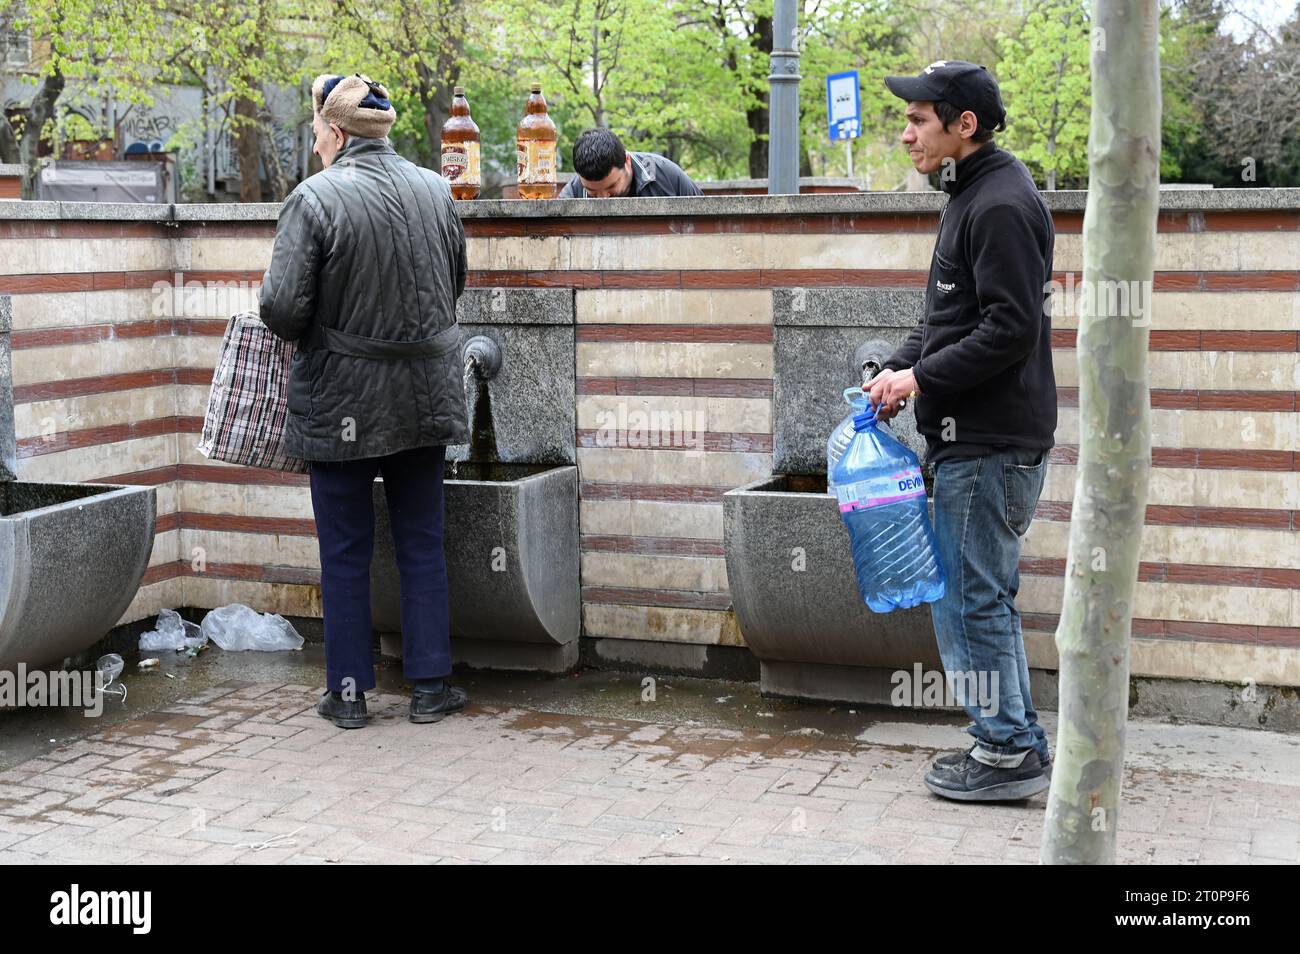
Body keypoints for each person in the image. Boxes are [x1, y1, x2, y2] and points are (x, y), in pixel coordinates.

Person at [868, 60, 1057, 801]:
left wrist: (920, 380)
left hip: (989, 444)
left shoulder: (1001, 203)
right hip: (974, 440)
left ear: (963, 124)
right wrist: (897, 368)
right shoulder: (970, 194)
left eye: (918, 118)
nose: (905, 130)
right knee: (984, 596)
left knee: (970, 601)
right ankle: (1012, 740)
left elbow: (1011, 328)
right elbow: (947, 320)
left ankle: (1006, 752)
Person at [259, 73, 470, 729]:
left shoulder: (313, 199)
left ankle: (348, 695)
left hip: (342, 398)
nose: (316, 140)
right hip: (426, 394)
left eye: (318, 129)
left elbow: (282, 310)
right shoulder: (436, 190)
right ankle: (432, 687)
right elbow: (454, 281)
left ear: (338, 131)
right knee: (420, 543)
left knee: (346, 549)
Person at [557, 127, 703, 198]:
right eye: (592, 192)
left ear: (627, 161)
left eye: (611, 186)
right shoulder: (573, 192)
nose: (603, 198)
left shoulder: (666, 175)